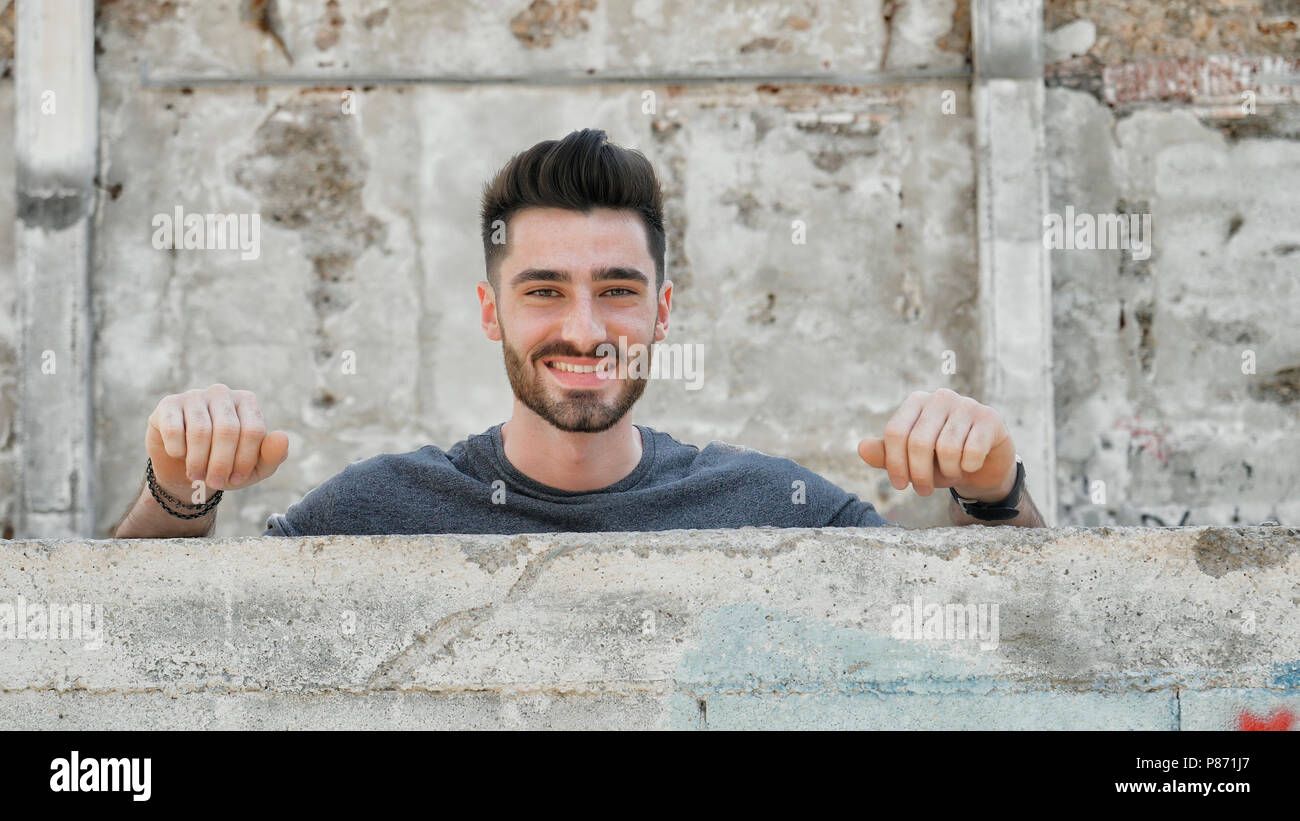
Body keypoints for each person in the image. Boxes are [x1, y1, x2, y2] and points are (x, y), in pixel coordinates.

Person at [112, 129, 1044, 539]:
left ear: (663, 314)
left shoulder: (777, 506)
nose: (585, 327)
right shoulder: (373, 508)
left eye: (618, 289)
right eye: (545, 288)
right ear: (491, 313)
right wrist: (178, 489)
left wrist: (996, 494)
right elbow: (130, 668)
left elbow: (1016, 657)